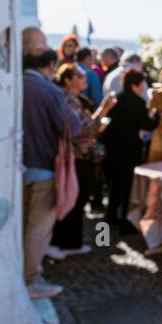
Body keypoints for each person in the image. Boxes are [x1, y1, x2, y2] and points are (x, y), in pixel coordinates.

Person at [22, 47, 81, 298]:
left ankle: (23, 271)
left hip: (16, 166)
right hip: (44, 165)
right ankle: (30, 279)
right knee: (38, 227)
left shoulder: (12, 84)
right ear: (49, 66)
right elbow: (72, 127)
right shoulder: (49, 91)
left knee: (23, 225)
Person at [49, 63, 114, 257]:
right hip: (76, 156)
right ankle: (64, 243)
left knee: (76, 198)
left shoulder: (73, 99)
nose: (85, 79)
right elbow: (84, 129)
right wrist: (104, 110)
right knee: (74, 198)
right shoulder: (68, 100)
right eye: (80, 76)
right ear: (68, 79)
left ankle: (69, 242)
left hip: (77, 155)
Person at [99, 69, 157, 234]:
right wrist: (156, 115)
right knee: (127, 186)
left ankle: (111, 215)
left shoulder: (117, 98)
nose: (143, 88)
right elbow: (148, 125)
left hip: (114, 147)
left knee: (116, 184)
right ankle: (125, 220)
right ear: (135, 85)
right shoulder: (137, 102)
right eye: (142, 84)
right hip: (130, 149)